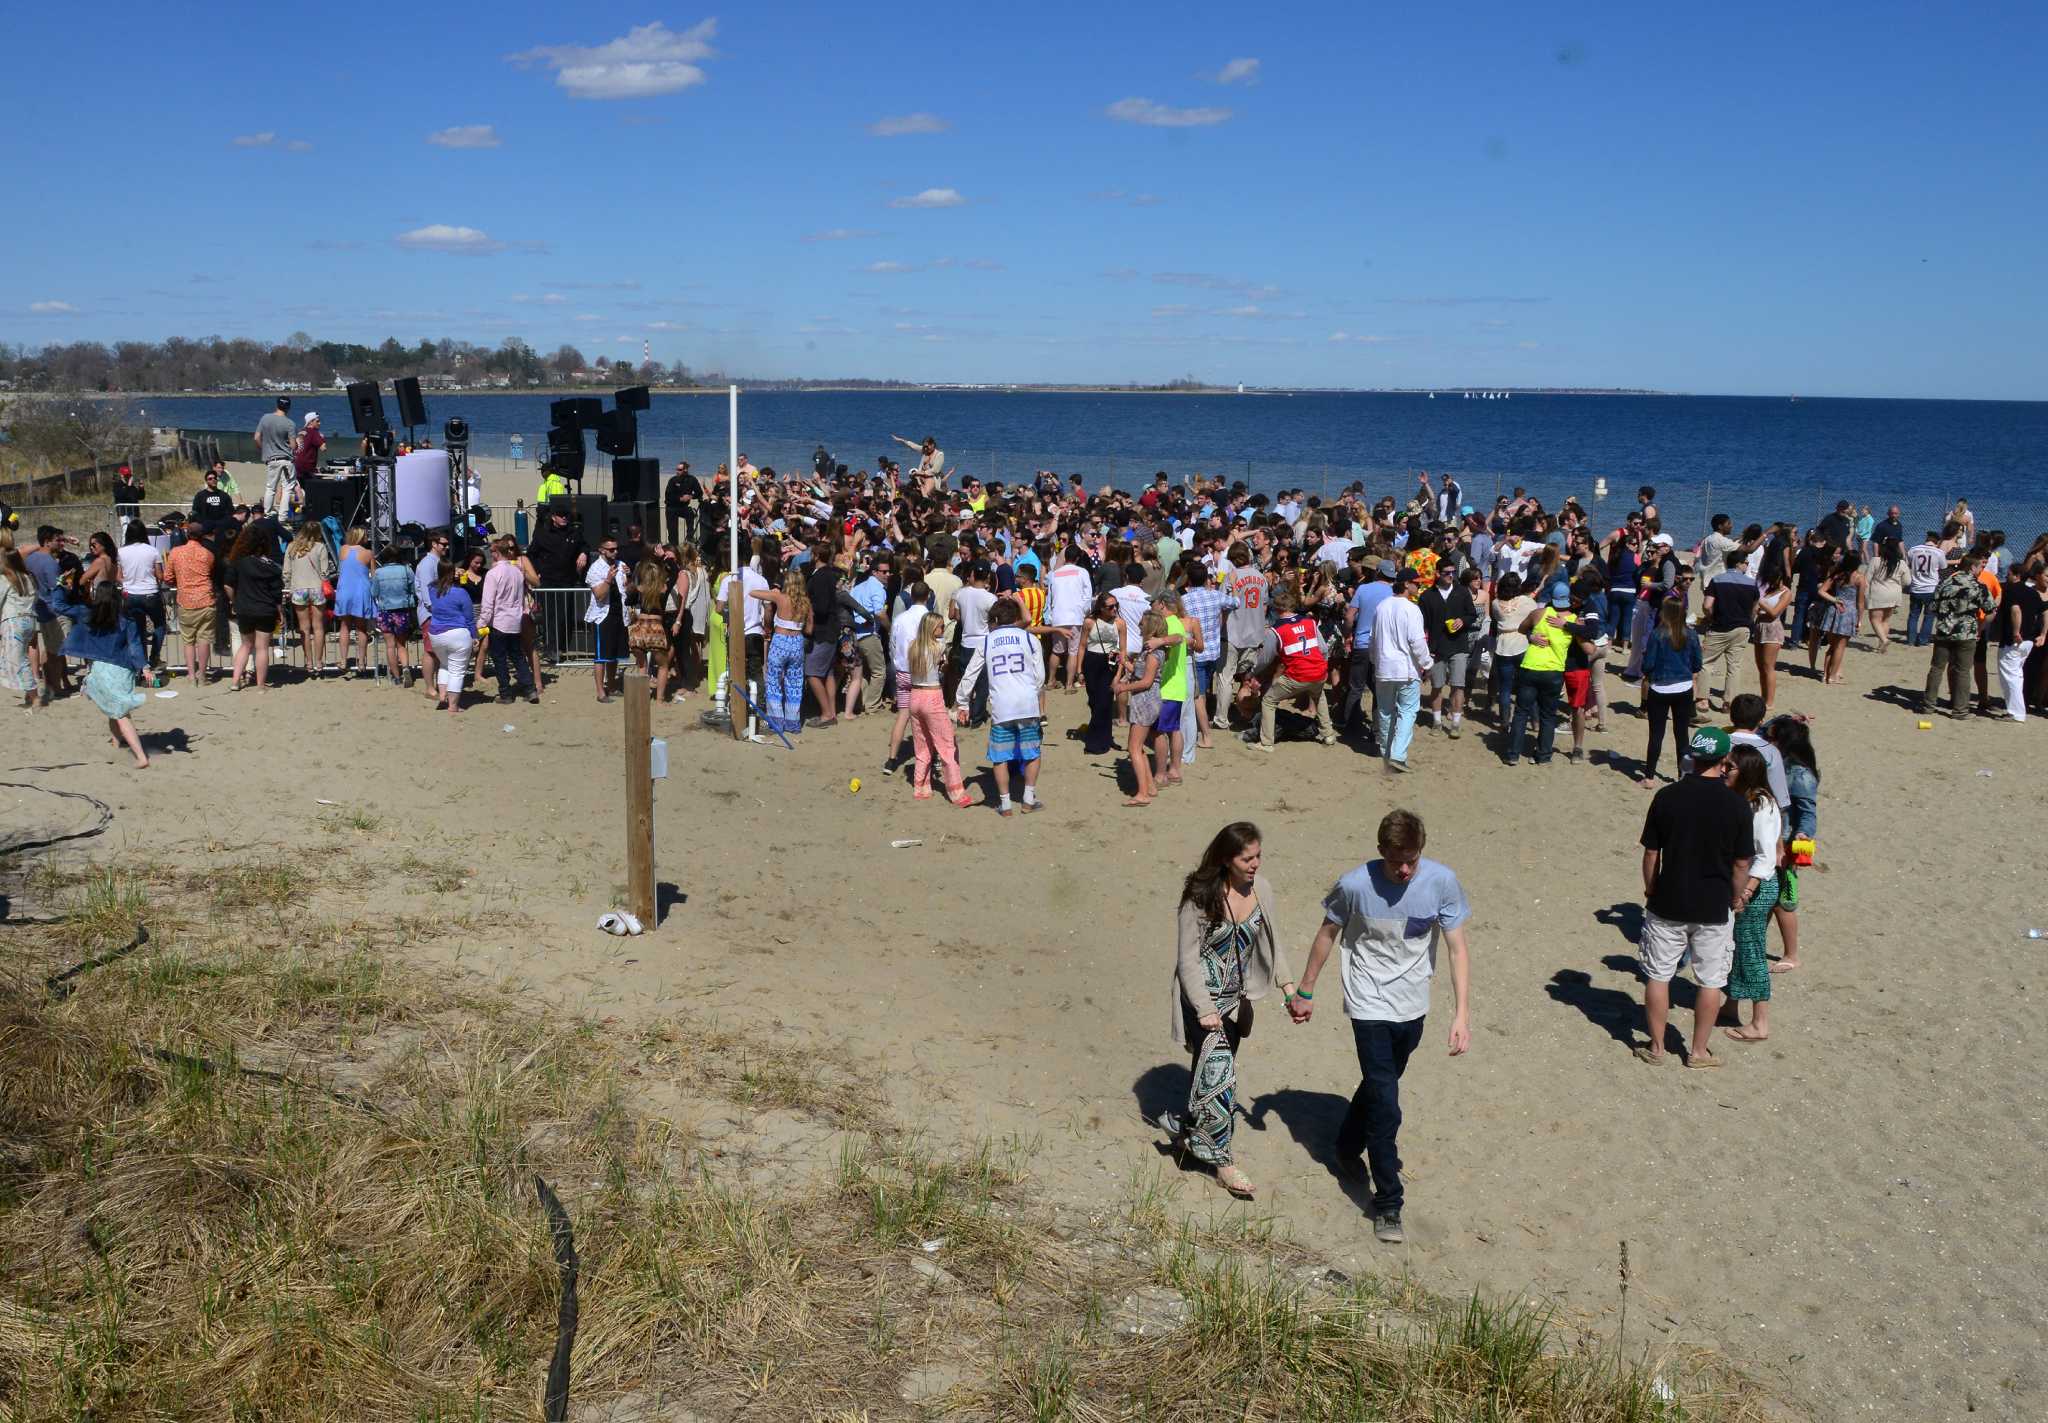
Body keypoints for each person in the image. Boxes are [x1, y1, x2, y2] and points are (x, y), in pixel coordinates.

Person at [1290, 809, 1471, 1245]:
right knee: (1387, 1103)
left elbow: (1457, 950)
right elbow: (1326, 934)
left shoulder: (1442, 882)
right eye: (1395, 862)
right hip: (1368, 1002)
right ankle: (1389, 1201)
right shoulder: (1354, 885)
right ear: (1381, 853)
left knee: (1378, 1085)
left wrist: (1462, 1014)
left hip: (1413, 1006)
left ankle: (1346, 1146)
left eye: (1411, 860)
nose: (1404, 870)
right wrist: (1306, 990)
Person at [1158, 822, 1300, 1200]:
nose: (1255, 864)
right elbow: (1187, 962)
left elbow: (1273, 943)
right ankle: (1224, 1164)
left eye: (1258, 856)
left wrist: (1289, 990)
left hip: (1236, 1002)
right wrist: (1204, 1009)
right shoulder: (1199, 897)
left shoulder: (1262, 890)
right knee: (1222, 1076)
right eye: (1246, 858)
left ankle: (1185, 1133)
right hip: (1201, 1000)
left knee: (1207, 1077)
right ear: (1226, 859)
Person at [1633, 727, 1753, 1069]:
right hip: (1714, 903)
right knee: (1710, 980)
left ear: (1693, 756)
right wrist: (1736, 895)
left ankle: (1656, 1048)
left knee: (1658, 975)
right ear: (1725, 760)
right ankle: (1698, 1052)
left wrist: (1650, 887)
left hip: (1669, 899)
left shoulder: (1667, 797)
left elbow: (1651, 853)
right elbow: (1741, 862)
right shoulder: (1737, 805)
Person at [954, 599, 1046, 815]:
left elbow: (970, 674)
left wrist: (963, 702)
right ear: (1014, 618)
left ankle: (1005, 804)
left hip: (1001, 706)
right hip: (1027, 703)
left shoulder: (986, 642)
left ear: (994, 620)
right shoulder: (1031, 639)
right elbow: (1040, 677)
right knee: (1032, 752)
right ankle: (1028, 798)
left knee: (1000, 756)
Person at [1721, 745, 1783, 1044]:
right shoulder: (1747, 800)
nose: (1723, 771)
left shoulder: (1760, 806)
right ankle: (1731, 1006)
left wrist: (1745, 892)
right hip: (1749, 885)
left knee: (1751, 951)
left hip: (1757, 888)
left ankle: (1760, 1022)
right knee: (1737, 946)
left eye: (1729, 767)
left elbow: (1764, 857)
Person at [53, 578, 151, 768]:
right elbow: (135, 645)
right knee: (114, 709)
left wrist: (59, 586)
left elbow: (59, 606)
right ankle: (116, 743)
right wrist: (144, 667)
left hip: (102, 669)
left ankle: (141, 757)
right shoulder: (126, 619)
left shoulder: (86, 613)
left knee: (120, 713)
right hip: (123, 670)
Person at [1247, 586, 1338, 752]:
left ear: (1277, 610)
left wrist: (1252, 672)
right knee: (1319, 695)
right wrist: (1320, 666)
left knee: (1269, 700)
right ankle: (1328, 734)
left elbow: (1265, 659)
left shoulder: (1277, 630)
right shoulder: (1310, 623)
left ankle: (1266, 742)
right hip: (1318, 671)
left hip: (1297, 675)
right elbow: (1324, 649)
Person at [1766, 715, 1820, 973]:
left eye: (1773, 738)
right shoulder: (1777, 762)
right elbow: (1762, 726)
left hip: (1786, 844)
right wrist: (1785, 718)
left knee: (1783, 901)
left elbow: (1808, 812)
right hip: (1768, 838)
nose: (1768, 739)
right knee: (1763, 898)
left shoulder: (1800, 774)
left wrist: (1803, 835)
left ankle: (1791, 954)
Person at [904, 612, 971, 805]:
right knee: (947, 745)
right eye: (940, 627)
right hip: (932, 697)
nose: (942, 630)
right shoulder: (938, 646)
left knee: (922, 745)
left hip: (915, 696)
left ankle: (921, 786)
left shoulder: (913, 646)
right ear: (932, 628)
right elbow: (945, 663)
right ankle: (957, 792)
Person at [1370, 570, 1433, 773]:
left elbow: (1373, 639)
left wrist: (1375, 660)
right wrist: (1427, 664)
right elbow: (1417, 641)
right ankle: (1397, 754)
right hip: (1406, 669)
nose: (1418, 586)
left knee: (1386, 710)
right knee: (1407, 711)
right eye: (1416, 583)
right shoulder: (1411, 609)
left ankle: (1387, 751)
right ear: (1406, 584)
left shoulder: (1381, 606)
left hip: (1384, 666)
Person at [1920, 548, 1994, 719]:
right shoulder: (1978, 586)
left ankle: (1928, 705)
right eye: (1979, 568)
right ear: (1972, 568)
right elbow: (1990, 610)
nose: (1980, 571)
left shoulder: (1945, 583)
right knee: (1962, 671)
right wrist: (1980, 628)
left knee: (1937, 668)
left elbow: (1932, 607)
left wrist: (1946, 617)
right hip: (1966, 633)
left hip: (1944, 630)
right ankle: (1960, 709)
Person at [1505, 583, 1573, 767]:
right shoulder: (1573, 621)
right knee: (1548, 715)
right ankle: (1543, 755)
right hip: (1554, 672)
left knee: (1521, 712)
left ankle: (1513, 754)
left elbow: (1521, 628)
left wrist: (1531, 637)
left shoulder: (1538, 614)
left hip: (1531, 667)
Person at [1638, 597, 1702, 785]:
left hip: (1660, 688)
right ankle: (1685, 776)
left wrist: (1648, 671)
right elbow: (1697, 664)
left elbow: (1648, 664)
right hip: (1684, 688)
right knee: (1682, 736)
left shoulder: (1657, 634)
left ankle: (1649, 777)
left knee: (1656, 735)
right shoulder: (1691, 635)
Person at [1115, 608, 1169, 806]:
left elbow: (1146, 681)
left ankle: (1142, 794)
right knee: (1139, 747)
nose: (1138, 626)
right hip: (1145, 699)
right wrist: (1125, 663)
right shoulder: (1148, 649)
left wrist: (1123, 687)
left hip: (1146, 699)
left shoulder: (1154, 652)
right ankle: (1149, 787)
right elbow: (1142, 674)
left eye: (1141, 623)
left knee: (1134, 748)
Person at [1419, 561, 1478, 738]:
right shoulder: (1427, 596)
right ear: (1437, 573)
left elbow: (1472, 614)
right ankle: (1436, 722)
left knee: (1458, 685)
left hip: (1459, 645)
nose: (1450, 576)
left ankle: (1455, 723)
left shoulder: (1461, 592)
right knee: (1437, 686)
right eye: (1446, 572)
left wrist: (1463, 621)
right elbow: (1422, 624)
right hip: (1437, 648)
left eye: (1453, 572)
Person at [750, 568, 811, 735]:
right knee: (795, 683)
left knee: (774, 681)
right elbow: (810, 629)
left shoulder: (780, 597)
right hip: (797, 642)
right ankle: (793, 722)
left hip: (780, 641)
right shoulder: (806, 603)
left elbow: (753, 593)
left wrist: (773, 591)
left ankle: (777, 721)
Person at [223, 523, 283, 692]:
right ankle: (261, 685)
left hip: (244, 609)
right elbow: (276, 593)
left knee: (245, 645)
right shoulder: (271, 566)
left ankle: (235, 681)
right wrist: (279, 611)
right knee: (262, 647)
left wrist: (234, 601)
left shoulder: (238, 563)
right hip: (265, 609)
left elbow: (228, 586)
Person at [480, 536, 539, 704]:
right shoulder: (517, 572)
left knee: (500, 658)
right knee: (518, 656)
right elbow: (520, 598)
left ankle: (506, 693)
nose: (491, 554)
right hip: (515, 619)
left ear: (498, 553)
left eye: (492, 551)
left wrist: (481, 623)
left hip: (499, 621)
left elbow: (488, 603)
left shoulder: (493, 574)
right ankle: (530, 689)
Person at [1698, 556, 1759, 710]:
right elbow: (1755, 609)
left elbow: (1707, 605)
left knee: (1706, 663)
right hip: (1742, 627)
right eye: (1746, 562)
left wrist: (1710, 616)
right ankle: (1729, 702)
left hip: (1720, 626)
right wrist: (1749, 621)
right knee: (1734, 666)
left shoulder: (1717, 580)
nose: (1747, 565)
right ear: (1738, 563)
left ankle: (1703, 700)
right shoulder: (1752, 583)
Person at [161, 520, 218, 688]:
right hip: (205, 599)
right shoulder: (208, 554)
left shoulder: (176, 553)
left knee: (188, 641)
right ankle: (202, 675)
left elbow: (168, 577)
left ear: (187, 534)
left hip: (185, 600)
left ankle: (191, 675)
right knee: (204, 639)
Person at [1995, 558, 2047, 722]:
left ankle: (2016, 712)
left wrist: (2016, 631)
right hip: (2029, 641)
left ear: (2016, 575)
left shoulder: (2011, 590)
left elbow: (2016, 610)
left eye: (2009, 574)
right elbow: (2045, 612)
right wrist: (2043, 634)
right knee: (2016, 673)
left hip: (2015, 640)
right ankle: (2017, 710)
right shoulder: (2032, 592)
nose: (2007, 576)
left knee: (2011, 675)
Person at [117, 521, 168, 683]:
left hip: (130, 594)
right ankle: (154, 655)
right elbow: (160, 576)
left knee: (135, 633)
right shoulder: (152, 551)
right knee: (160, 625)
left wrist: (127, 582)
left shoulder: (121, 552)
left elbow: (118, 576)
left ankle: (142, 666)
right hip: (150, 593)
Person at [426, 557, 477, 713]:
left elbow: (435, 583)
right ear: (452, 573)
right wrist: (475, 636)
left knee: (445, 665)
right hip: (457, 634)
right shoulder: (461, 593)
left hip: (435, 633)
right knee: (457, 671)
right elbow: (469, 617)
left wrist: (450, 574)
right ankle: (453, 706)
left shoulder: (433, 589)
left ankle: (443, 697)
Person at [284, 521, 333, 678]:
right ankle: (319, 662)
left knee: (304, 628)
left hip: (298, 588)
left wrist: (287, 586)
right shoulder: (320, 547)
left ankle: (309, 662)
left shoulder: (292, 547)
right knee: (318, 628)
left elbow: (286, 571)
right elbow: (325, 572)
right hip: (317, 588)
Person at [1078, 591, 1125, 755]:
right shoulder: (1090, 622)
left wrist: (1118, 674)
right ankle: (1104, 736)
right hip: (1092, 661)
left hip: (1111, 661)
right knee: (1094, 701)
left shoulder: (1119, 623)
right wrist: (1079, 670)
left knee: (1104, 702)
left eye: (1116, 606)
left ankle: (1094, 741)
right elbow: (1082, 646)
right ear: (1101, 608)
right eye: (1110, 606)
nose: (1114, 609)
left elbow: (1122, 650)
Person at [1808, 551, 1864, 685]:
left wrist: (1834, 600)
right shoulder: (1859, 578)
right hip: (1848, 611)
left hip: (1833, 610)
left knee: (1832, 646)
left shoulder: (1837, 574)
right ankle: (1832, 676)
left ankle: (1825, 675)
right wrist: (1860, 620)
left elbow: (1821, 591)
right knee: (1840, 647)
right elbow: (1860, 602)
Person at [585, 533, 628, 703]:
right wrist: (608, 580)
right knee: (601, 656)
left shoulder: (621, 565)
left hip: (619, 613)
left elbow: (628, 590)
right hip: (603, 615)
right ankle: (600, 691)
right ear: (602, 550)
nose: (615, 552)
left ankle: (612, 686)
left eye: (617, 549)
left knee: (614, 655)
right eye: (611, 549)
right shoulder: (595, 569)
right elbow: (600, 595)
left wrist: (629, 578)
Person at [371, 542, 420, 686]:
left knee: (390, 646)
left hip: (386, 611)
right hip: (403, 610)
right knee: (401, 644)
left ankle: (396, 677)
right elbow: (414, 589)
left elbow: (374, 592)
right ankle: (405, 667)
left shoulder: (379, 573)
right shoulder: (406, 570)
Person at [0, 530, 37, 711]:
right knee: (22, 659)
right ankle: (30, 695)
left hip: (13, 621)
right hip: (29, 620)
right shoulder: (27, 577)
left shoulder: (6, 579)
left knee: (18, 661)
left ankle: (34, 695)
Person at [1752, 564, 1792, 710]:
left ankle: (1770, 701)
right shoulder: (1768, 591)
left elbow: (1775, 612)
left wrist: (1760, 601)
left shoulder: (1786, 593)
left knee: (1768, 666)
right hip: (1760, 626)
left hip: (1773, 628)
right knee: (1760, 665)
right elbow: (1756, 609)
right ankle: (1764, 697)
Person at [255, 396, 297, 516]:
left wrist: (263, 449)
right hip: (287, 459)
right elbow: (293, 446)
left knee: (270, 487)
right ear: (288, 407)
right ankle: (283, 516)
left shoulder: (265, 418)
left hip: (272, 459)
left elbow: (257, 437)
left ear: (277, 405)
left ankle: (268, 513)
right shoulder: (290, 424)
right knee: (287, 488)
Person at [1864, 536, 1906, 653]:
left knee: (1875, 619)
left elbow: (1867, 579)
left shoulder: (1876, 560)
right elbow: (1907, 581)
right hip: (1894, 594)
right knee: (1885, 621)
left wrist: (1865, 594)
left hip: (1879, 593)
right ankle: (1881, 646)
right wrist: (1898, 584)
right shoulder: (1901, 563)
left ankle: (1884, 639)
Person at [1904, 530, 1945, 647]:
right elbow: (1943, 567)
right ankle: (1923, 640)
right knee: (1929, 615)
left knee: (1913, 615)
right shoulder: (1938, 552)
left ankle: (1911, 640)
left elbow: (1909, 564)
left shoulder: (1913, 549)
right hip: (1931, 588)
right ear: (1937, 541)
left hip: (1916, 587)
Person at [291, 411, 325, 509]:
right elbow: (323, 448)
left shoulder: (301, 431)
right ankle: (310, 509)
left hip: (296, 465)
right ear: (311, 422)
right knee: (313, 490)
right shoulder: (314, 432)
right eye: (317, 421)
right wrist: (322, 438)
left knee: (300, 489)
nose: (319, 423)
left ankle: (300, 508)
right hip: (307, 467)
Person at [663, 460, 701, 547]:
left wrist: (690, 496)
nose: (677, 471)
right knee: (673, 535)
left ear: (685, 470)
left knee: (690, 512)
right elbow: (668, 497)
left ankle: (690, 536)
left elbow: (699, 492)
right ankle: (673, 547)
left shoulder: (692, 479)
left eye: (679, 470)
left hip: (683, 508)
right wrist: (680, 499)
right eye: (677, 469)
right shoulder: (673, 480)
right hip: (671, 507)